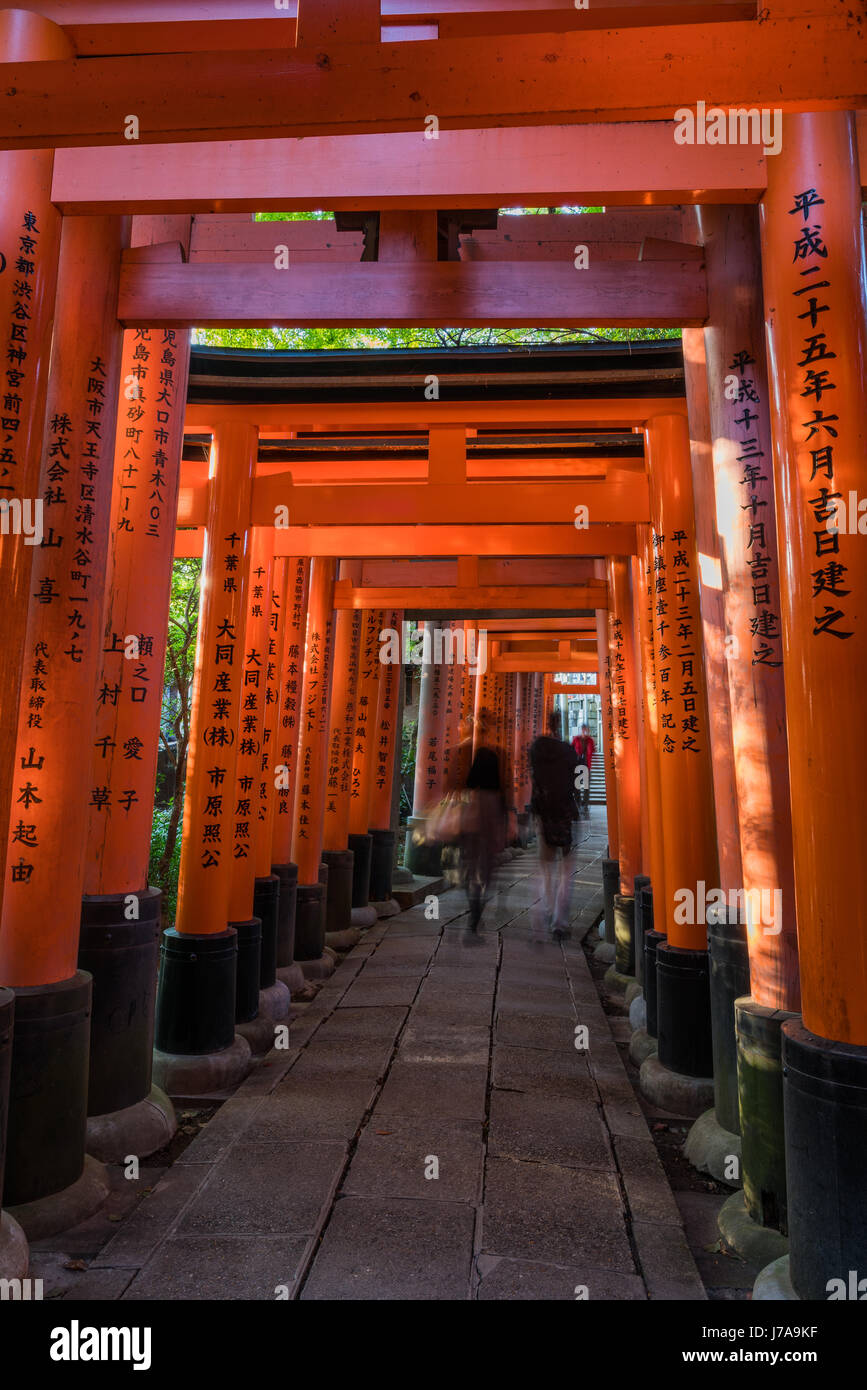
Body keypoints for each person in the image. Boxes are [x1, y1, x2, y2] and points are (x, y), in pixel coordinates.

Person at [530, 710, 579, 939]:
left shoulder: (537, 749)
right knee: (566, 870)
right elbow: (578, 782)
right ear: (561, 724)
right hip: (564, 813)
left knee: (545, 868)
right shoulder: (569, 751)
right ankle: (560, 922)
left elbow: (534, 780)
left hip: (543, 812)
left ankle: (544, 912)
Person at [460, 710, 508, 940]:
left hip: (474, 811)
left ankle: (474, 904)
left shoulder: (469, 750)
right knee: (486, 867)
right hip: (491, 813)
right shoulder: (498, 752)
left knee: (470, 864)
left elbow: (467, 783)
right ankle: (476, 909)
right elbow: (504, 788)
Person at [571, 723, 595, 819]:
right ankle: (578, 803)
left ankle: (585, 805)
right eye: (583, 729)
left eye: (586, 729)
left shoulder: (590, 740)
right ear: (581, 730)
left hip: (586, 765)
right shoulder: (576, 739)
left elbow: (592, 751)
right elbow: (571, 749)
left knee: (586, 787)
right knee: (577, 786)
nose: (585, 731)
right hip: (577, 765)